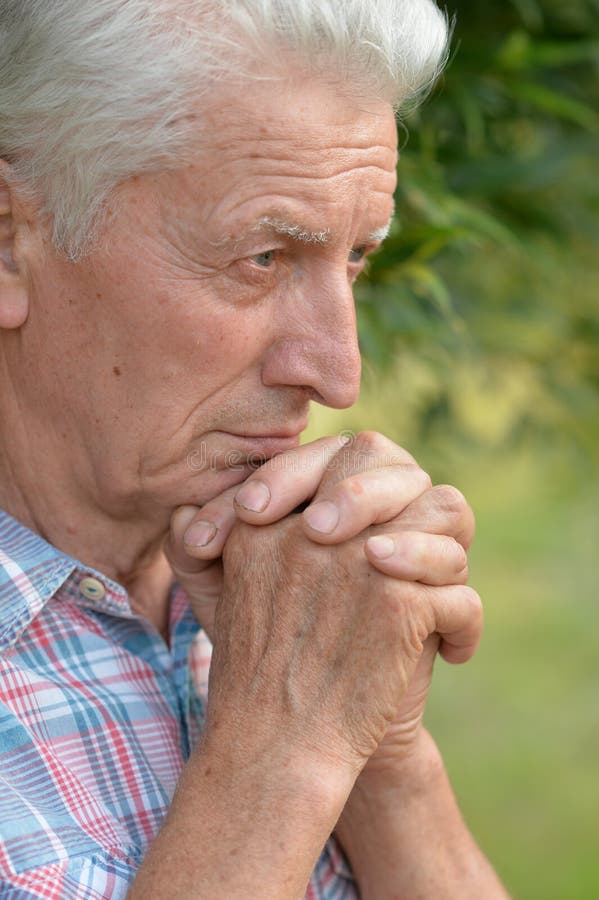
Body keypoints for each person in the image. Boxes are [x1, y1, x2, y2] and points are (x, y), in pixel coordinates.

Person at [0, 1, 510, 897]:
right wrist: (286, 745)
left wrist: (387, 764)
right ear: (9, 241)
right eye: (264, 258)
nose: (336, 373)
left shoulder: (287, 590)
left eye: (355, 259)